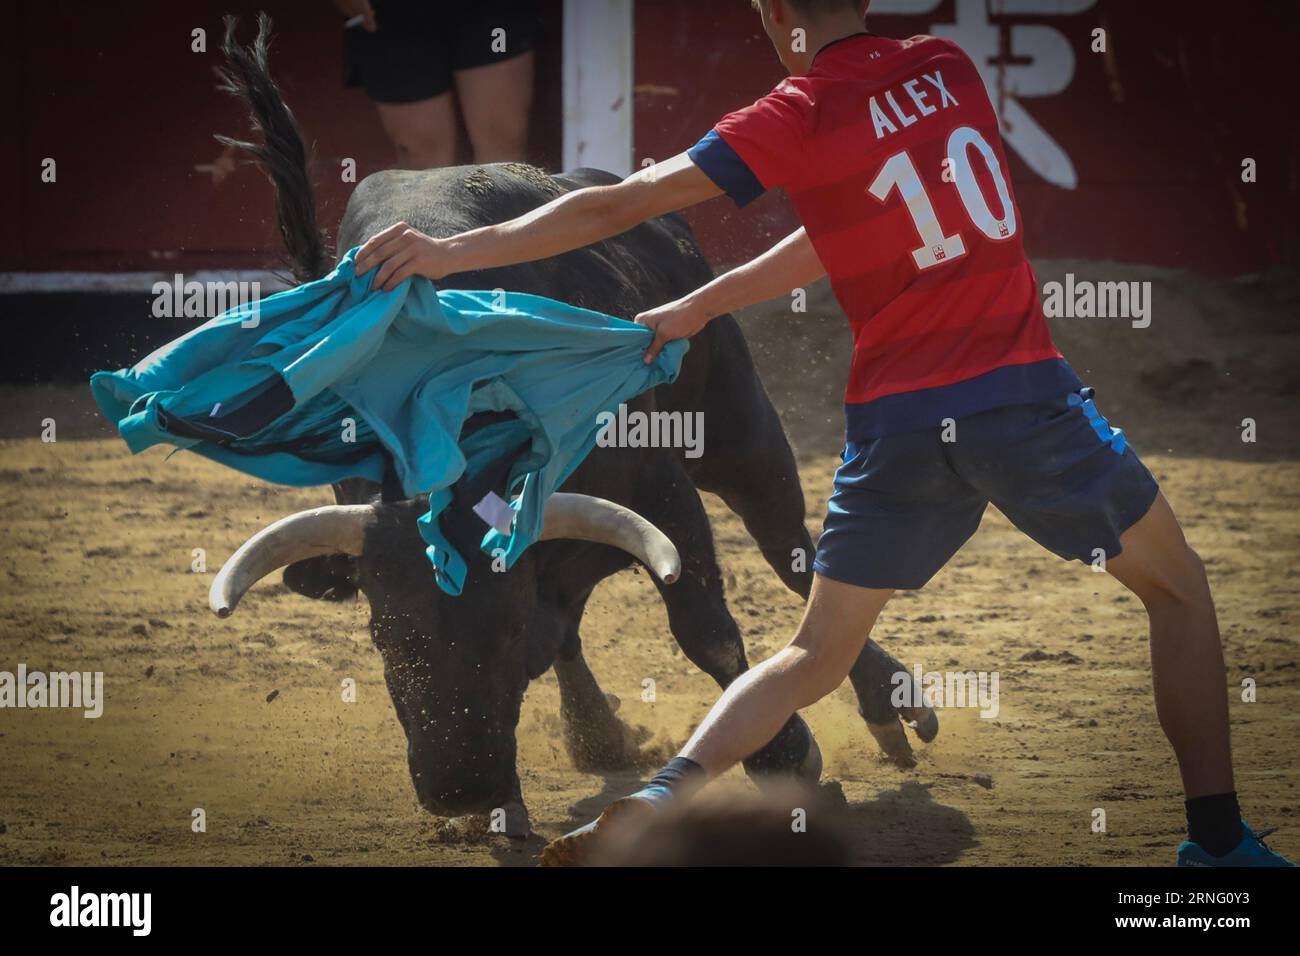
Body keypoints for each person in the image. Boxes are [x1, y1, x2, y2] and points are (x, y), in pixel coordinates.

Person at [353, 0, 1293, 867]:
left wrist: (452, 251)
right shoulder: (949, 66)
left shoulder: (791, 111)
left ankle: (653, 795)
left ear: (771, 15)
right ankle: (1216, 844)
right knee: (1178, 591)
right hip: (1021, 400)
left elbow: (619, 205)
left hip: (897, 425)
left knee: (812, 656)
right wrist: (695, 305)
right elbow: (871, 220)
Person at [335, 0, 537, 168]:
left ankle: (505, 210)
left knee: (501, 136)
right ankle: (426, 215)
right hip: (392, 9)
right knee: (420, 150)